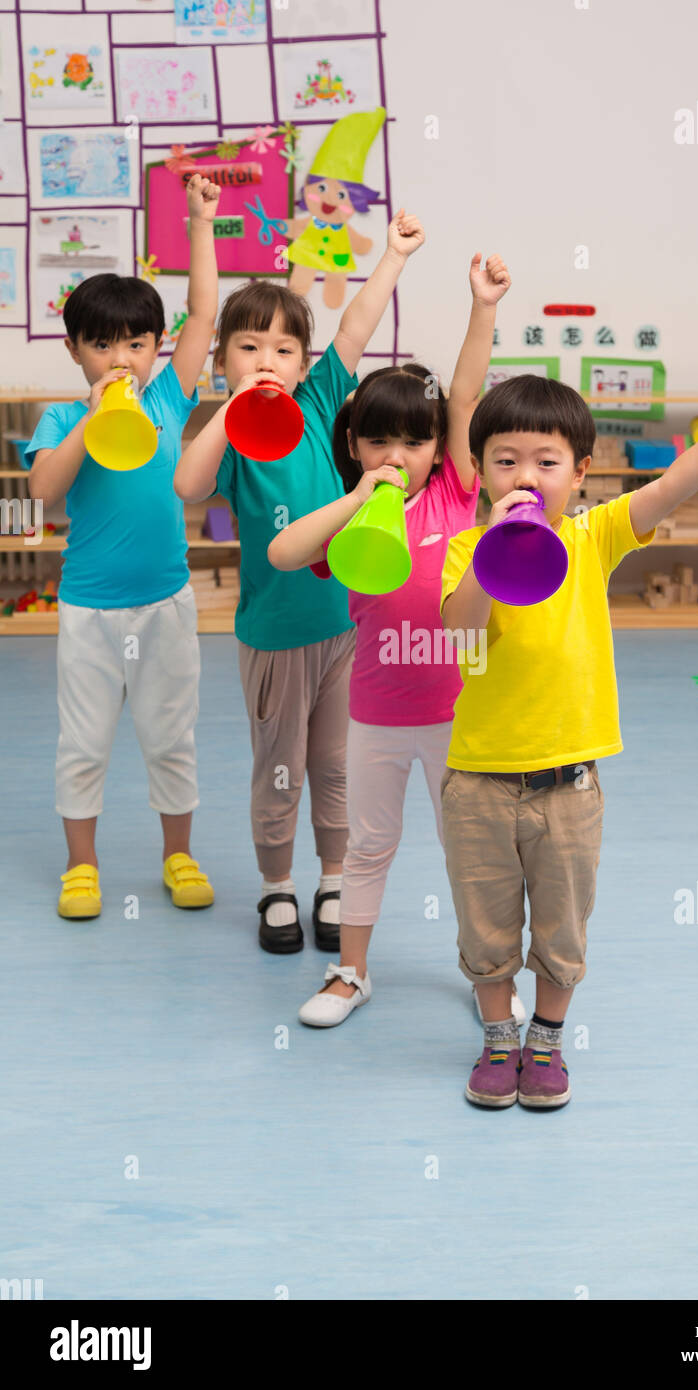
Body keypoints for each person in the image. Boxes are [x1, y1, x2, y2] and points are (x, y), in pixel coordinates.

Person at [440, 370, 698, 1109]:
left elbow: (671, 487)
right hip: (478, 783)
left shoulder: (594, 536)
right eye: (504, 461)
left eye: (546, 461)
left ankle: (546, 1044)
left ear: (580, 471)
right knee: (485, 928)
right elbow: (460, 627)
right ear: (480, 471)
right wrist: (497, 541)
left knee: (562, 929)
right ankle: (499, 1042)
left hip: (570, 786)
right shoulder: (466, 548)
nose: (525, 475)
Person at [268, 253, 524, 1028]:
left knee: (472, 854)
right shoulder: (352, 515)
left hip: (459, 712)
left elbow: (469, 392)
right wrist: (355, 498)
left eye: (413, 444)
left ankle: (489, 979)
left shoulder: (454, 485)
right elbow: (283, 554)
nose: (395, 457)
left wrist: (482, 307)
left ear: (437, 449)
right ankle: (351, 973)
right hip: (376, 713)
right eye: (377, 443)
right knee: (367, 848)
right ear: (354, 447)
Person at [175, 209, 424, 954]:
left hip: (344, 627)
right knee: (280, 770)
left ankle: (333, 879)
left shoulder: (319, 406)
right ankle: (276, 887)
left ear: (302, 360)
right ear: (223, 358)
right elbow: (189, 486)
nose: (267, 360)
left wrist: (394, 256)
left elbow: (356, 326)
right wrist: (229, 406)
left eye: (284, 349)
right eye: (248, 347)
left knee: (336, 766)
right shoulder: (235, 436)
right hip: (274, 637)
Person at [25, 174, 221, 920]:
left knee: (171, 737)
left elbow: (205, 312)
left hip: (166, 606)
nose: (122, 359)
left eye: (137, 345)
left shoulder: (171, 398)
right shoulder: (57, 418)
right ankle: (83, 867)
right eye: (103, 345)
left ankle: (179, 853)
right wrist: (95, 413)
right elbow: (42, 490)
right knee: (84, 744)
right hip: (89, 611)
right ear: (75, 348)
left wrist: (200, 222)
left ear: (155, 348)